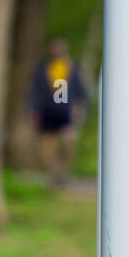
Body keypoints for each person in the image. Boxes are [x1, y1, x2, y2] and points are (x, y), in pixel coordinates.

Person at [28, 36, 87, 186]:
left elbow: (81, 90)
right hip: (48, 111)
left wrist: (80, 107)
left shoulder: (72, 68)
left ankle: (63, 172)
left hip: (66, 111)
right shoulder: (43, 69)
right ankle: (54, 173)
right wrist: (34, 110)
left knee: (69, 142)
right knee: (48, 146)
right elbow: (35, 91)